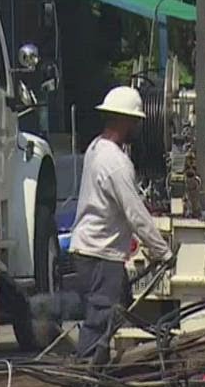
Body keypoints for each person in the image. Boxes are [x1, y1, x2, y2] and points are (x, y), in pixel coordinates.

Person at [69, 86, 173, 363]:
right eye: (136, 121)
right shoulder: (116, 163)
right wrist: (163, 252)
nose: (139, 127)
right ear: (126, 121)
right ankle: (85, 375)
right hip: (101, 254)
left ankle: (98, 371)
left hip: (88, 250)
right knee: (101, 319)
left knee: (114, 310)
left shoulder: (96, 148)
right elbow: (135, 213)